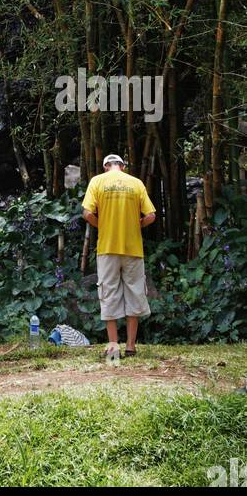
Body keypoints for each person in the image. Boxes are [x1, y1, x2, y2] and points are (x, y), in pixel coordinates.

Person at [82, 153, 156, 360]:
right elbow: (150, 216)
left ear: (106, 167)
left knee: (109, 293)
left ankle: (113, 345)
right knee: (134, 292)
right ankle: (131, 345)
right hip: (133, 249)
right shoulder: (136, 183)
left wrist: (103, 225)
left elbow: (87, 213)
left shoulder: (97, 181)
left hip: (107, 248)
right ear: (122, 166)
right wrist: (135, 225)